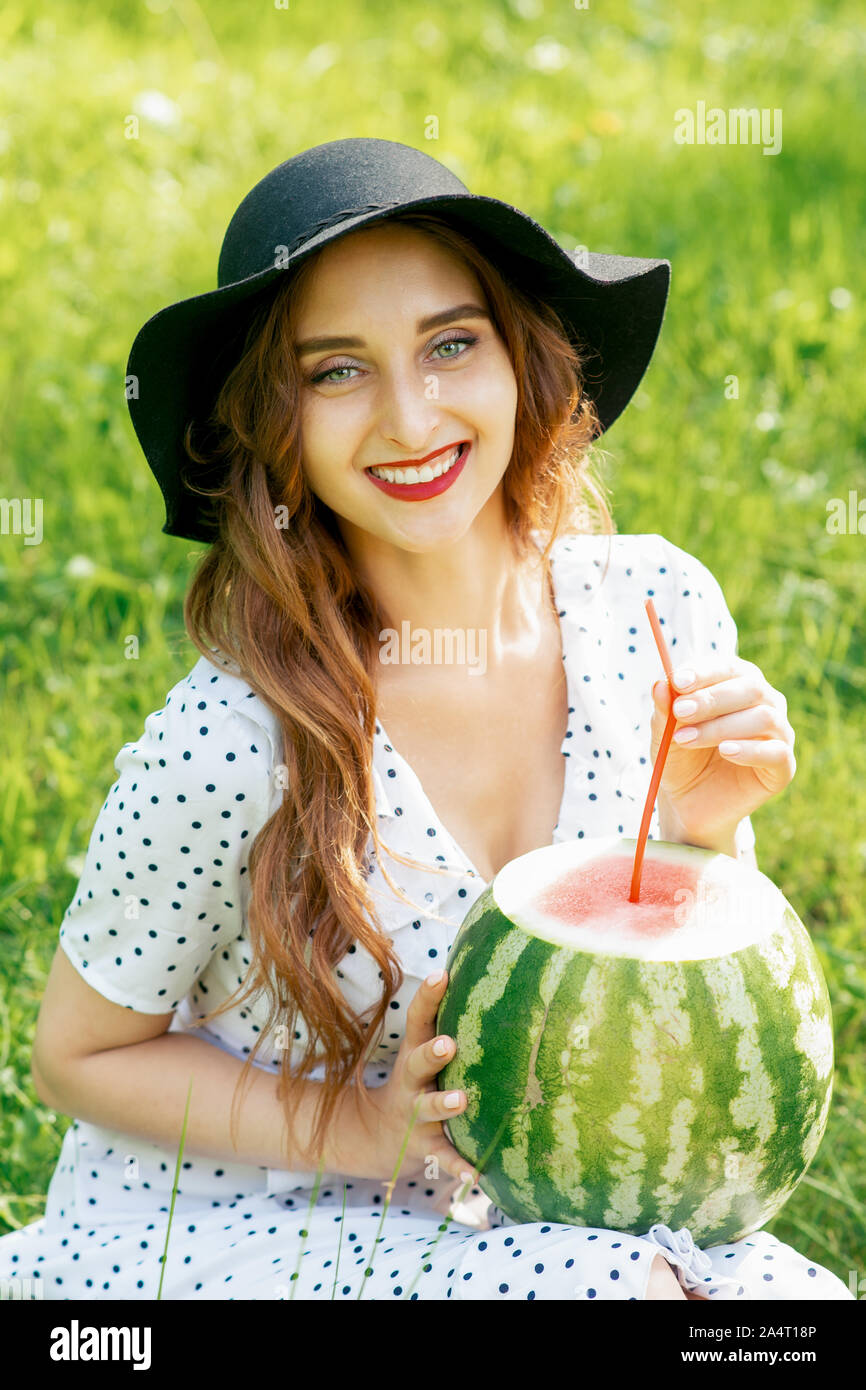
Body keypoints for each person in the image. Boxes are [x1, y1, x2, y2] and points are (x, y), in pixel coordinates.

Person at [0, 139, 852, 1301]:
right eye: (335, 370)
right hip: (253, 1222)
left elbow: (655, 1018)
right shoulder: (226, 744)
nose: (410, 417)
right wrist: (359, 1128)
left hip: (545, 1205)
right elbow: (79, 1054)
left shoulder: (654, 611)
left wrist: (704, 839)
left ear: (522, 361)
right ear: (272, 426)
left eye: (450, 343)